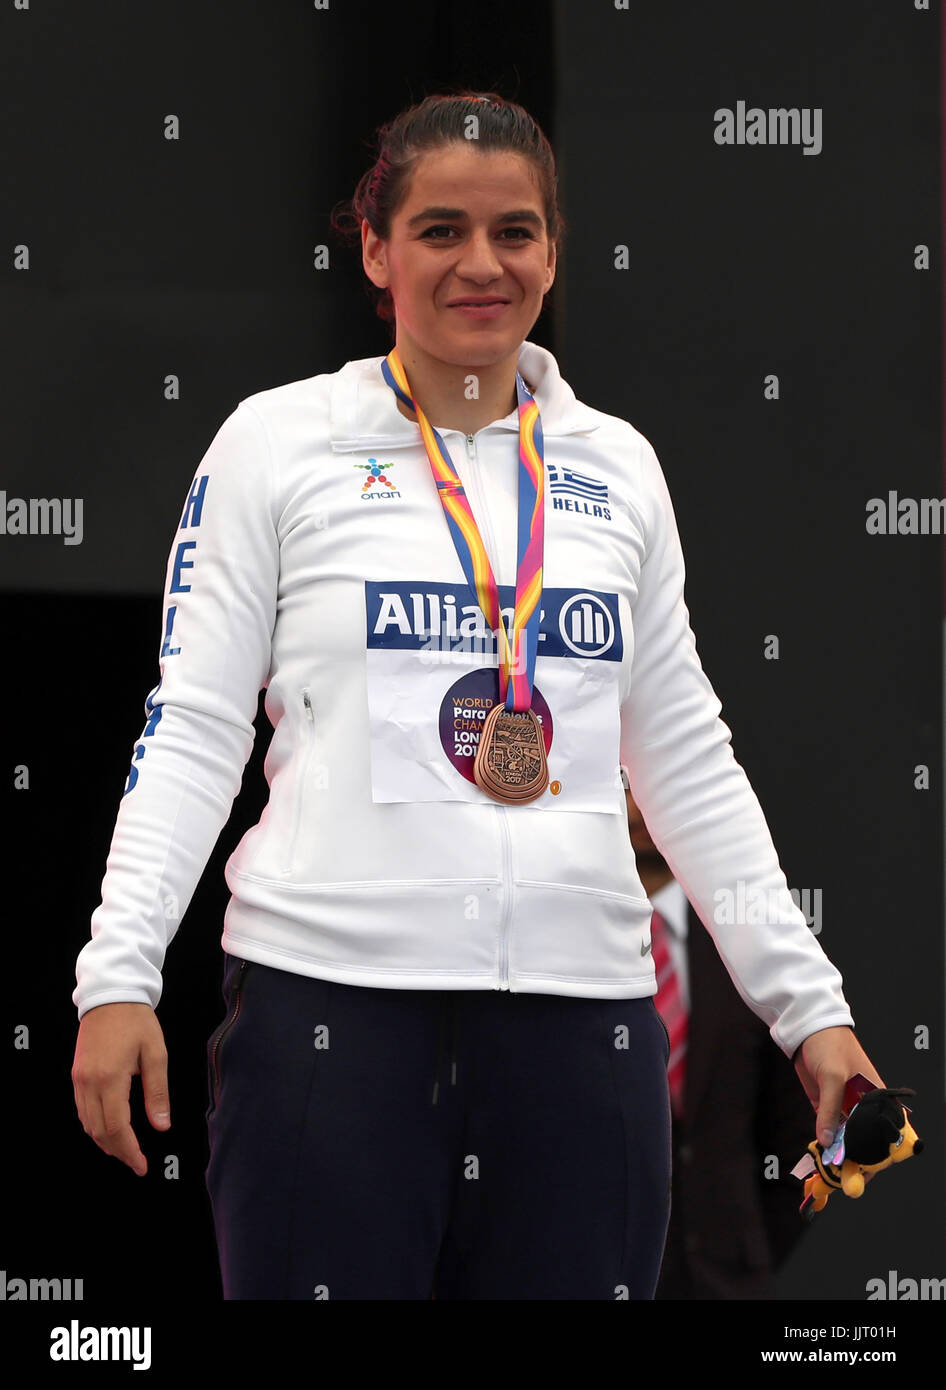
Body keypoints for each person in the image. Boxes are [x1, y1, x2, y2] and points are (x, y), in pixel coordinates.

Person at [71, 89, 884, 1301]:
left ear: (553, 252)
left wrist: (809, 1012)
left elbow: (689, 761)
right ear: (375, 249)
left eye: (513, 232)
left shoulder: (618, 467)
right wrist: (118, 975)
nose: (479, 263)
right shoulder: (277, 444)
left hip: (581, 1029)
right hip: (331, 1022)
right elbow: (190, 728)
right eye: (441, 229)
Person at [623, 782, 816, 1299]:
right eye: (621, 783)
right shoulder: (561, 947)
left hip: (728, 1277)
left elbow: (798, 1126)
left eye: (648, 784)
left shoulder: (750, 943)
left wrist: (751, 1247)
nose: (636, 806)